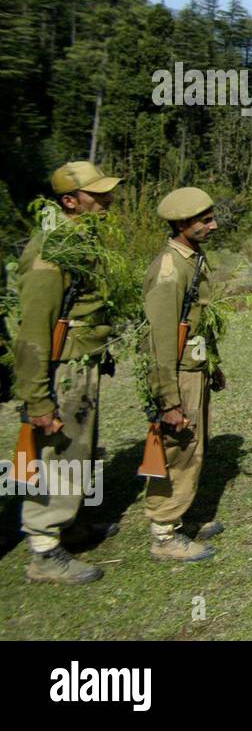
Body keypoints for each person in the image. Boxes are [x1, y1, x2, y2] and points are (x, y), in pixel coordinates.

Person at [14, 162, 122, 584]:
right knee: (56, 452)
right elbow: (33, 328)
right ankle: (44, 548)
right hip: (63, 367)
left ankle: (70, 523)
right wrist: (38, 398)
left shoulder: (82, 241)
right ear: (70, 201)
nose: (108, 199)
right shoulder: (51, 249)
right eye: (98, 194)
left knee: (78, 449)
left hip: (83, 361)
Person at [141, 187, 226, 561]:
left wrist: (213, 364)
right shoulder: (170, 269)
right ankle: (164, 532)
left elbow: (198, 322)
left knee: (193, 445)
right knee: (178, 445)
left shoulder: (193, 258)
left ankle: (180, 517)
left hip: (194, 367)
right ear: (181, 224)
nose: (214, 225)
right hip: (176, 374)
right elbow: (159, 340)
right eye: (205, 220)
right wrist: (168, 400)